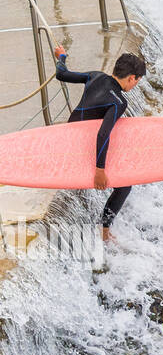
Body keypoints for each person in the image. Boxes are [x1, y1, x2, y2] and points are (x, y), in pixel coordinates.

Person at [51, 47, 147, 241]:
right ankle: (103, 230)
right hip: (81, 148)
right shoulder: (119, 101)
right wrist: (100, 170)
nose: (135, 85)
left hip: (68, 135)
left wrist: (61, 57)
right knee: (125, 186)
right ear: (132, 78)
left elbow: (61, 74)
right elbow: (104, 134)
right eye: (137, 81)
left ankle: (103, 229)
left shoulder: (95, 76)